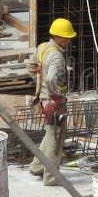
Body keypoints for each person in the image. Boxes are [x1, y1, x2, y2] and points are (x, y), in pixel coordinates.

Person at [29, 18, 76, 185]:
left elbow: (31, 67)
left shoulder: (42, 48)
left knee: (50, 134)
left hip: (43, 99)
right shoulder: (56, 56)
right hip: (54, 101)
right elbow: (50, 79)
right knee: (55, 139)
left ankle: (36, 167)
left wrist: (39, 87)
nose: (69, 40)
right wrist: (55, 98)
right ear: (56, 36)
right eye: (66, 37)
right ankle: (51, 177)